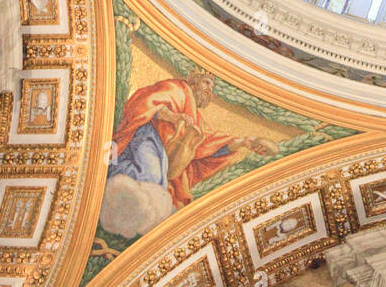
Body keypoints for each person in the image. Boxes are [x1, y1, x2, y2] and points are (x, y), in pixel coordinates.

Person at [109, 75, 277, 208]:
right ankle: (116, 176)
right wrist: (174, 116)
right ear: (194, 82)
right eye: (206, 83)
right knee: (151, 177)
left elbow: (207, 145)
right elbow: (146, 101)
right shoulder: (177, 88)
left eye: (211, 87)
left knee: (160, 190)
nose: (209, 89)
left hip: (163, 152)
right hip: (146, 135)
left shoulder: (197, 118)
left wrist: (243, 142)